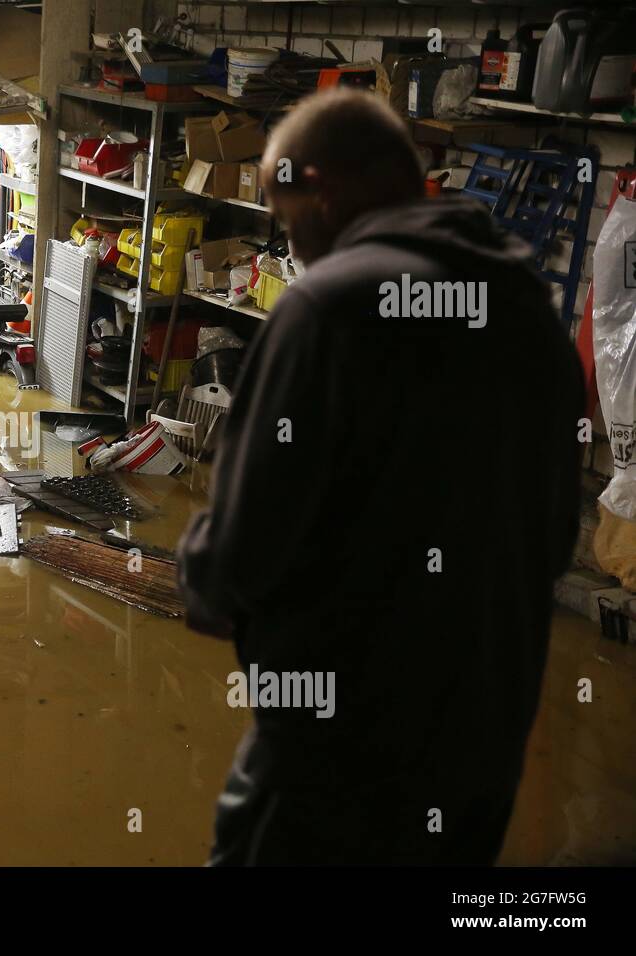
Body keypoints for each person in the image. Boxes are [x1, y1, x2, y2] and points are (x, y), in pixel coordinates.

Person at [177, 89, 584, 865]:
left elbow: (237, 562)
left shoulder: (328, 310)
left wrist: (200, 574)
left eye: (284, 211)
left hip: (333, 760)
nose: (288, 240)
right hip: (483, 752)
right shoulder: (529, 314)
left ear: (323, 191)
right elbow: (554, 537)